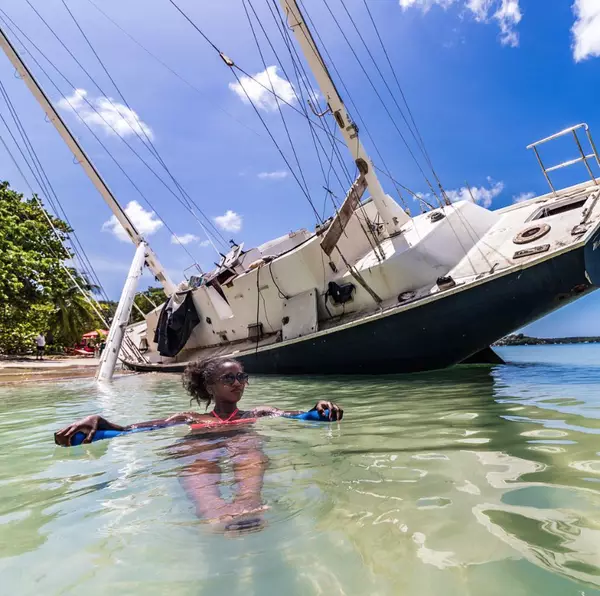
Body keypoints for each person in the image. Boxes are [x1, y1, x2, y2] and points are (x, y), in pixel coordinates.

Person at [54, 357, 343, 531]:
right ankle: (212, 510)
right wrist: (98, 419)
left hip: (244, 443)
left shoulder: (259, 413)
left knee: (248, 449)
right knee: (198, 455)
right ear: (210, 387)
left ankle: (248, 503)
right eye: (228, 377)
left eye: (242, 377)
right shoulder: (189, 417)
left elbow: (300, 416)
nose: (238, 382)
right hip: (199, 448)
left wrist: (319, 407)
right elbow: (132, 430)